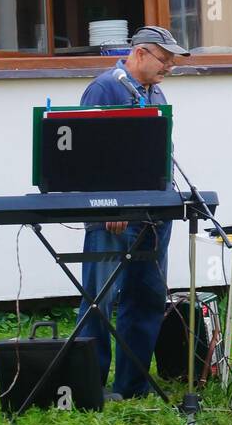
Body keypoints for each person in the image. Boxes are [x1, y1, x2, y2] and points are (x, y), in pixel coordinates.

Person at [74, 26, 189, 400]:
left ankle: (132, 386)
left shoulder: (154, 90)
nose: (170, 67)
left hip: (154, 212)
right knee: (100, 300)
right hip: (113, 214)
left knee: (148, 296)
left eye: (172, 62)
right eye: (165, 59)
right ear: (139, 53)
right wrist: (113, 201)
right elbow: (87, 156)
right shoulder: (104, 88)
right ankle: (90, 387)